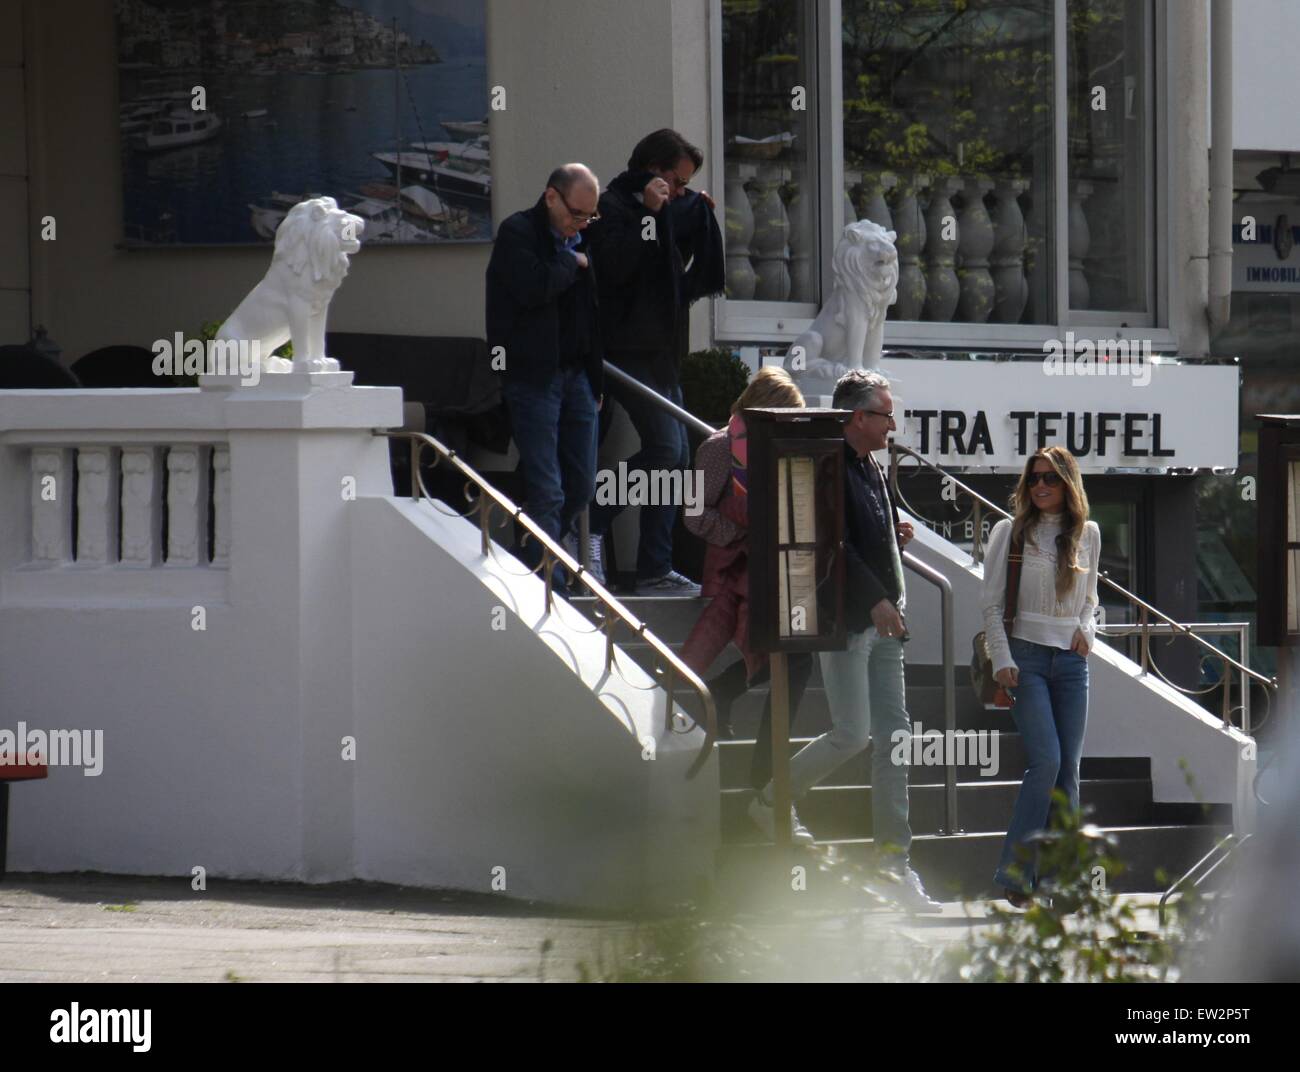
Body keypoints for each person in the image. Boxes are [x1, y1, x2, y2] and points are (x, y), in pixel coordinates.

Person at [750, 369, 941, 913]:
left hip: (885, 622)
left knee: (895, 740)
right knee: (853, 733)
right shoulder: (826, 461)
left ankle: (894, 863)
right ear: (859, 417)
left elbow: (861, 534)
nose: (892, 424)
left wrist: (894, 532)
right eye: (885, 414)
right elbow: (832, 542)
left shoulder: (870, 467)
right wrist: (877, 598)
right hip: (851, 621)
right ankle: (772, 800)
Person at [585, 128, 725, 594]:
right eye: (677, 181)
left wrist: (689, 218)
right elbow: (617, 270)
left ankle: (653, 569)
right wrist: (650, 213)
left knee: (676, 461)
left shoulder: (664, 211)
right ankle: (593, 515)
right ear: (653, 170)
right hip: (623, 353)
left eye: (685, 185)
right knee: (665, 450)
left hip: (662, 354)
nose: (681, 191)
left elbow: (672, 278)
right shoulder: (612, 206)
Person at [678, 366, 814, 842]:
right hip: (735, 569)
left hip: (773, 569)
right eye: (786, 415)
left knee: (791, 658)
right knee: (788, 658)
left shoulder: (778, 448)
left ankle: (720, 697)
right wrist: (737, 533)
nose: (791, 425)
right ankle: (760, 776)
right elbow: (694, 513)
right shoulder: (718, 447)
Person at [981, 446, 1100, 907]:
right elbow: (990, 604)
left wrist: (1087, 631)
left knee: (1068, 772)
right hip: (1024, 660)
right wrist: (1001, 659)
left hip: (1071, 663)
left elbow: (1089, 599)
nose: (1041, 486)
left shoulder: (1087, 533)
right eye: (1034, 479)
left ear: (1068, 484)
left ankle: (1061, 883)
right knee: (1046, 762)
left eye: (1050, 478)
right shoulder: (1010, 532)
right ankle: (1016, 873)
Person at [485, 164, 603, 594]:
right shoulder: (518, 233)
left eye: (590, 217)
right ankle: (546, 587)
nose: (582, 224)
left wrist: (596, 382)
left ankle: (532, 550)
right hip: (533, 378)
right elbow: (534, 288)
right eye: (577, 213)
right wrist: (572, 261)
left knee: (581, 484)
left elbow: (592, 319)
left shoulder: (581, 238)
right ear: (551, 196)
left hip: (578, 379)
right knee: (547, 489)